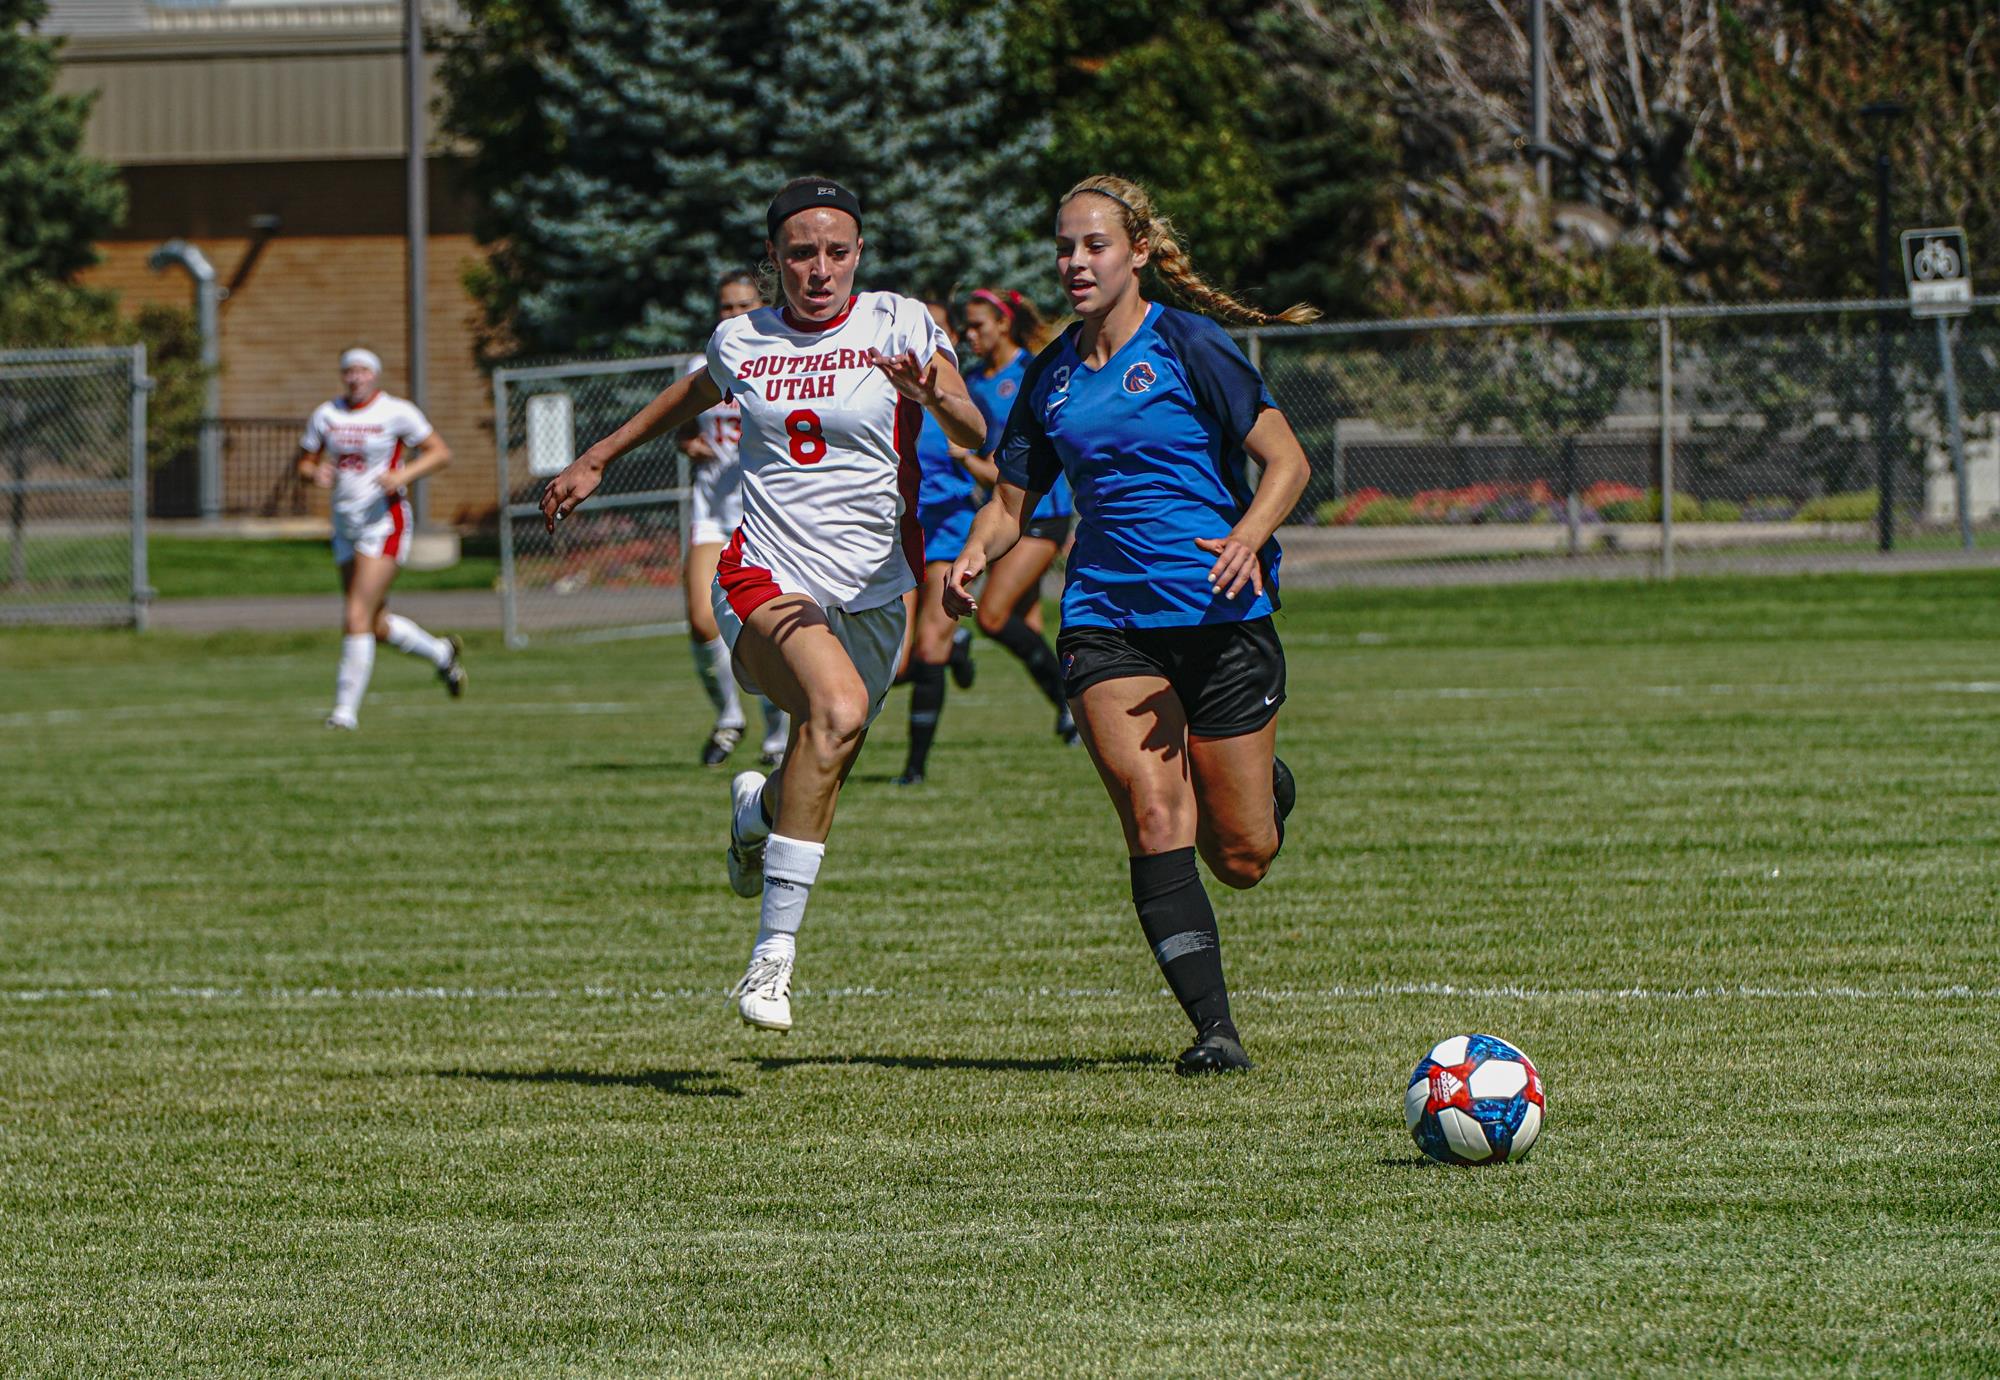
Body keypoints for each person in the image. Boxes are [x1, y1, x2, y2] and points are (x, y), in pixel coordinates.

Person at [540, 176, 987, 1032]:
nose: (820, 269)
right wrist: (598, 455)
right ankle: (770, 962)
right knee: (838, 705)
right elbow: (692, 392)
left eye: (837, 252)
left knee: (829, 748)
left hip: (876, 586)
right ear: (774, 259)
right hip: (764, 574)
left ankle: (756, 810)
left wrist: (930, 394)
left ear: (859, 254)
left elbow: (970, 429)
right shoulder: (743, 339)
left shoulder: (899, 322)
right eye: (800, 253)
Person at [945, 175, 1315, 1074]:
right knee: (1155, 816)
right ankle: (1215, 1032)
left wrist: (1248, 534)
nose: (1075, 262)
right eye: (1065, 247)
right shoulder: (1053, 374)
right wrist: (977, 551)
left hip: (1222, 618)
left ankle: (1264, 790)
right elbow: (1014, 495)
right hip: (1107, 619)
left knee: (1243, 855)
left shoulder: (1190, 343)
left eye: (1095, 245)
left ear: (1138, 253)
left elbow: (1287, 462)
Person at [297, 347, 464, 730]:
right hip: (344, 526)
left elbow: (439, 453)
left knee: (355, 613)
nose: (355, 377)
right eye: (349, 371)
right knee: (374, 622)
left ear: (373, 375)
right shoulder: (327, 414)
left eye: (362, 371)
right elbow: (305, 461)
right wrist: (314, 473)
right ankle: (441, 653)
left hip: (384, 524)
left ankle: (344, 713)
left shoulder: (396, 411)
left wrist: (404, 476)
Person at [958, 287, 1077, 746]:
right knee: (1025, 626)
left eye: (978, 325)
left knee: (991, 616)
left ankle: (1072, 699)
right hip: (1004, 508)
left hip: (1043, 512)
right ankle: (1072, 715)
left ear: (1004, 324)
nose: (970, 335)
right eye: (966, 326)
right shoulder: (972, 379)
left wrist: (967, 462)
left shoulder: (1033, 370)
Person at [680, 270, 789, 768]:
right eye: (725, 307)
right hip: (713, 512)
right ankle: (729, 717)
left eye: (743, 306)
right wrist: (689, 444)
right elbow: (682, 424)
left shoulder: (784, 361)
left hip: (765, 515)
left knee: (764, 628)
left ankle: (776, 731)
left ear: (762, 305)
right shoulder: (700, 363)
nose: (733, 316)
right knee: (702, 620)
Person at [892, 298, 981, 787]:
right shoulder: (886, 395)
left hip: (949, 533)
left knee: (928, 649)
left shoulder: (958, 398)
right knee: (896, 662)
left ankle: (914, 768)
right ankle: (960, 645)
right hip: (902, 538)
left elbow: (988, 456)